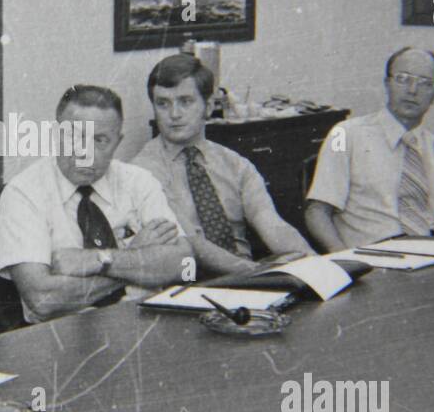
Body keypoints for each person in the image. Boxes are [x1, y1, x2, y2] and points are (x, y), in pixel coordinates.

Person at [0, 84, 192, 323]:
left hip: (147, 321)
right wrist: (136, 256)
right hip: (67, 332)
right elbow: (43, 300)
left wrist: (97, 260)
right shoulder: (24, 193)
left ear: (117, 142)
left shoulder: (138, 181)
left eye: (100, 140)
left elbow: (185, 265)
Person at [132, 54, 312, 278]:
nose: (174, 114)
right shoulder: (143, 171)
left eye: (185, 101)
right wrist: (255, 273)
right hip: (190, 283)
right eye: (163, 104)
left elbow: (272, 225)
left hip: (247, 276)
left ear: (208, 106)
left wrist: (314, 264)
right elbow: (193, 243)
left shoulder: (235, 164)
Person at [305, 48, 434, 251]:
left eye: (425, 83)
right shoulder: (345, 134)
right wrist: (344, 259)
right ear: (387, 84)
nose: (412, 90)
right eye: (403, 79)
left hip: (431, 252)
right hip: (372, 254)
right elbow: (317, 212)